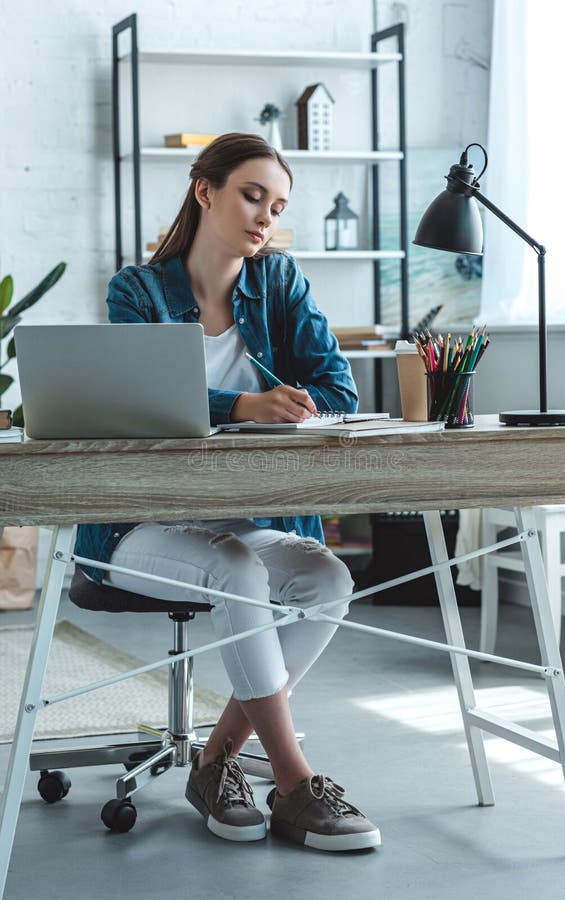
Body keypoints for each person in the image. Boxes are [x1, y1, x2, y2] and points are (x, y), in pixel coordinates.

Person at [75, 132, 381, 852]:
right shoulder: (138, 291)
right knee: (235, 569)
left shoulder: (279, 283)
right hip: (140, 527)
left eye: (275, 206)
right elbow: (139, 403)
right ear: (204, 189)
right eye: (251, 195)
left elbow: (338, 389)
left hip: (247, 515)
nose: (264, 217)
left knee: (325, 577)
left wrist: (282, 401)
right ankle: (294, 781)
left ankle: (212, 763)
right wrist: (240, 406)